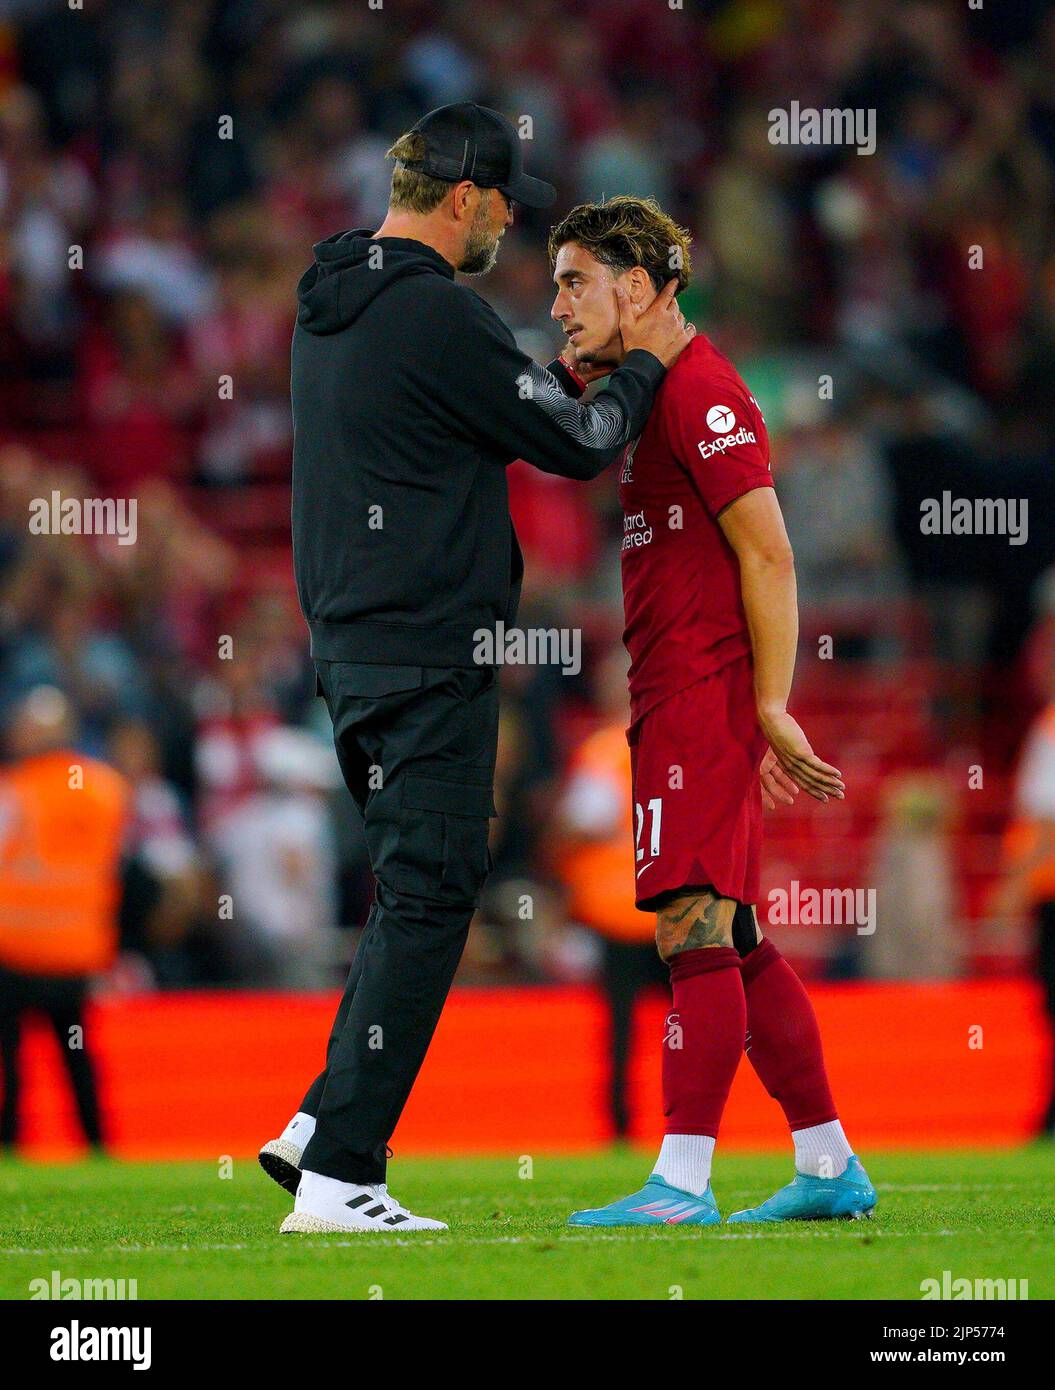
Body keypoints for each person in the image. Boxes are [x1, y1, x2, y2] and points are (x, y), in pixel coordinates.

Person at [263, 105, 694, 1234]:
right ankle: (344, 1172)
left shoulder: (330, 297)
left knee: (410, 887)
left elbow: (449, 415)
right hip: (422, 651)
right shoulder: (441, 316)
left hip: (349, 649)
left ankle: (319, 1121)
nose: (510, 222)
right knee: (434, 889)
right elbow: (583, 444)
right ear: (462, 196)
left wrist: (529, 380)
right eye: (506, 202)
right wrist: (643, 363)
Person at [544, 197, 877, 1226]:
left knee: (693, 928)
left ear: (637, 289)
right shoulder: (647, 390)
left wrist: (764, 703)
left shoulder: (698, 392)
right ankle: (826, 1166)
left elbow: (768, 549)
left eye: (573, 282)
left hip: (698, 692)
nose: (556, 304)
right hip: (675, 693)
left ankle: (679, 1183)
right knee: (730, 937)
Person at [0, 687, 129, 1153]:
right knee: (77, 1057)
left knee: (10, 1063)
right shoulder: (103, 786)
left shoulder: (14, 788)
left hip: (15, 947)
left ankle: (10, 1144)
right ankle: (96, 1144)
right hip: (76, 948)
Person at [552, 644, 669, 1139]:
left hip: (616, 911)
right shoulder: (670, 743)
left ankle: (621, 1124)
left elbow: (585, 822)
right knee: (687, 1025)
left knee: (621, 1031)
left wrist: (554, 836)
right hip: (672, 908)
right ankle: (692, 1121)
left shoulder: (605, 750)